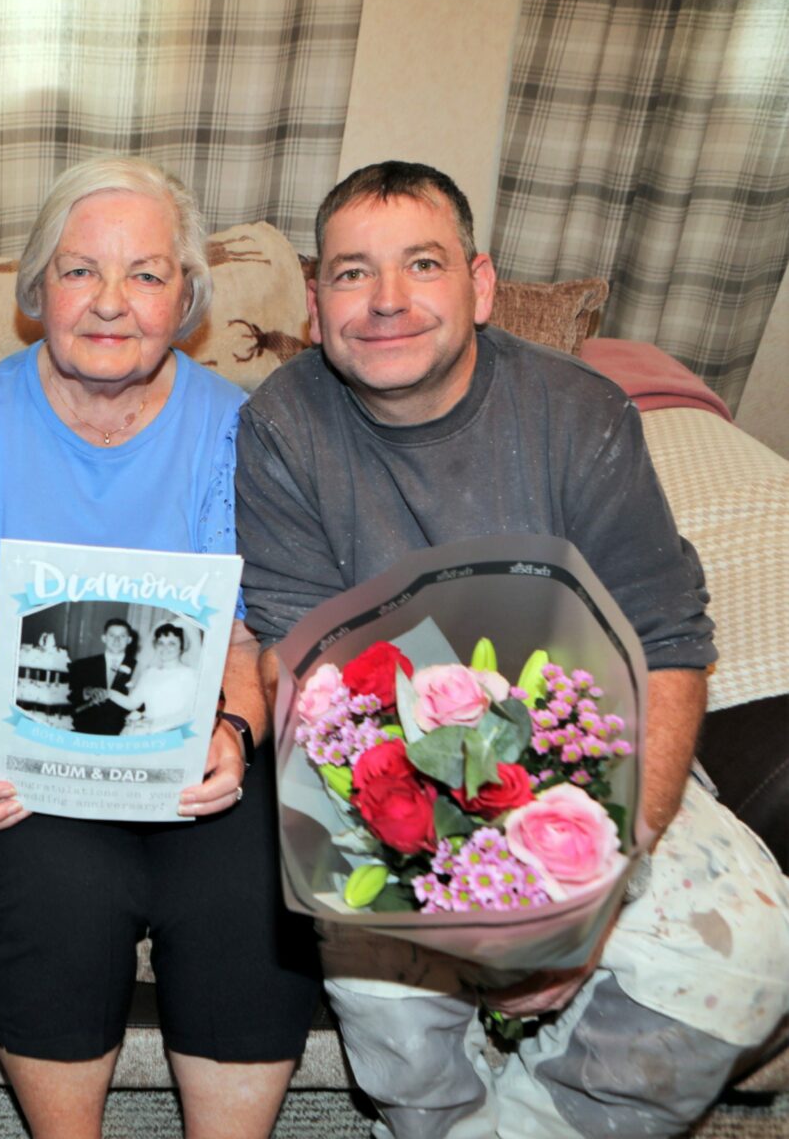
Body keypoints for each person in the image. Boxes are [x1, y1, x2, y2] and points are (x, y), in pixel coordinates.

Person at [236, 159, 789, 1139]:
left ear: (481, 285)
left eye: (422, 264)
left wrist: (591, 895)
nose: (389, 301)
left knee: (751, 950)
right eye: (354, 274)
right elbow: (305, 666)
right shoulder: (280, 427)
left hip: (591, 747)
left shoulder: (580, 412)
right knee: (385, 996)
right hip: (382, 760)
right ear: (316, 305)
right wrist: (460, 878)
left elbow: (667, 644)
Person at [0, 156, 321, 1139]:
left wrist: (238, 729)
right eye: (81, 272)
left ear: (188, 300)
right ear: (38, 291)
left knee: (252, 898)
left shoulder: (244, 434)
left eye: (147, 276)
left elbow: (251, 638)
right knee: (58, 896)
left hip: (195, 738)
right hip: (20, 743)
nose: (111, 304)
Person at [108, 623, 198, 735]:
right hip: (145, 730)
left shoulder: (189, 674)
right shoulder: (149, 673)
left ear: (182, 646)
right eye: (161, 643)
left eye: (172, 643)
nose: (165, 648)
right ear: (155, 645)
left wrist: (153, 725)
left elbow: (188, 712)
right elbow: (132, 703)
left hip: (171, 733)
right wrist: (107, 693)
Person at [68, 618, 138, 734]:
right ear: (104, 638)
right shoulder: (81, 665)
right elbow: (70, 696)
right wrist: (88, 692)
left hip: (121, 732)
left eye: (122, 636)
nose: (116, 640)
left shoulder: (138, 668)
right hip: (86, 729)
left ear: (129, 640)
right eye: (112, 635)